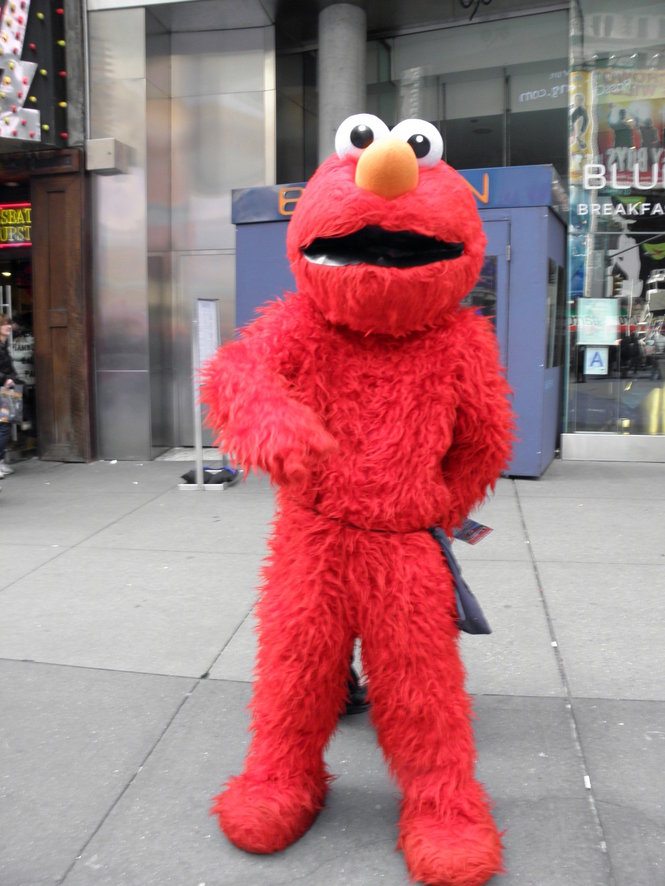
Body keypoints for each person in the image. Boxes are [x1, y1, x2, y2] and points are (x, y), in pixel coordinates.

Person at [0, 313, 23, 481]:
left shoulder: (4, 344)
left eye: (9, 323)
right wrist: (4, 379)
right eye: (4, 324)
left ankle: (0, 461)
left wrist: (15, 380)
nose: (9, 326)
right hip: (2, 387)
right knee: (3, 427)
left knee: (5, 425)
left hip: (5, 390)